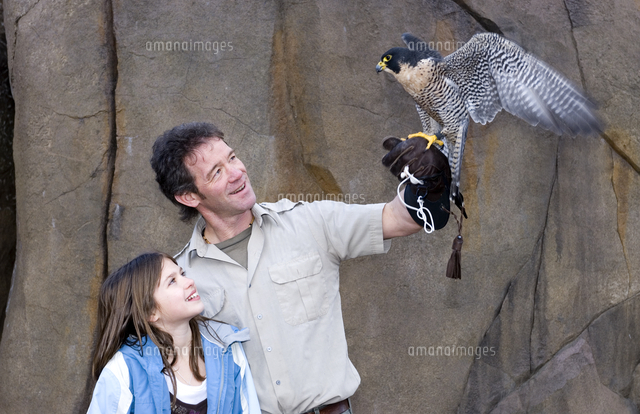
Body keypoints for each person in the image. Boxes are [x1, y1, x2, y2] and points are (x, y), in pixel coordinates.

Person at [150, 122, 450, 414]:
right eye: (217, 172)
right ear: (189, 196)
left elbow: (401, 219)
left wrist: (428, 183)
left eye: (232, 158)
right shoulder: (181, 281)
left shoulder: (309, 222)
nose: (237, 172)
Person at [87, 252, 261, 414]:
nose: (189, 281)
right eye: (172, 281)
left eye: (182, 274)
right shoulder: (123, 369)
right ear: (150, 312)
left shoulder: (226, 345)